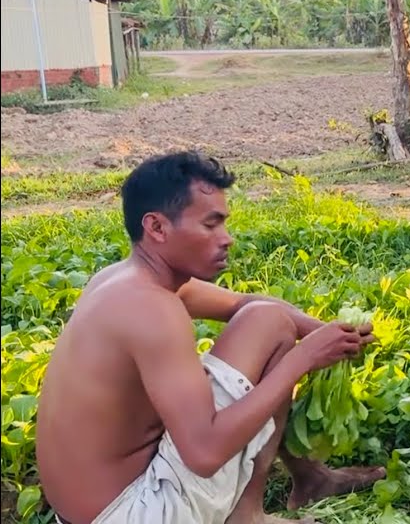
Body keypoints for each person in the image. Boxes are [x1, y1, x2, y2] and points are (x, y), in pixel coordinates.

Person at [36, 151, 386, 524]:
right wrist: (304, 359)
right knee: (269, 325)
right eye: (210, 225)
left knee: (267, 319)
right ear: (157, 228)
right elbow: (204, 454)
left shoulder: (123, 280)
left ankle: (309, 478)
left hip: (87, 513)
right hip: (133, 513)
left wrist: (322, 331)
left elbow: (246, 303)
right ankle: (246, 517)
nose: (227, 239)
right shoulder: (151, 308)